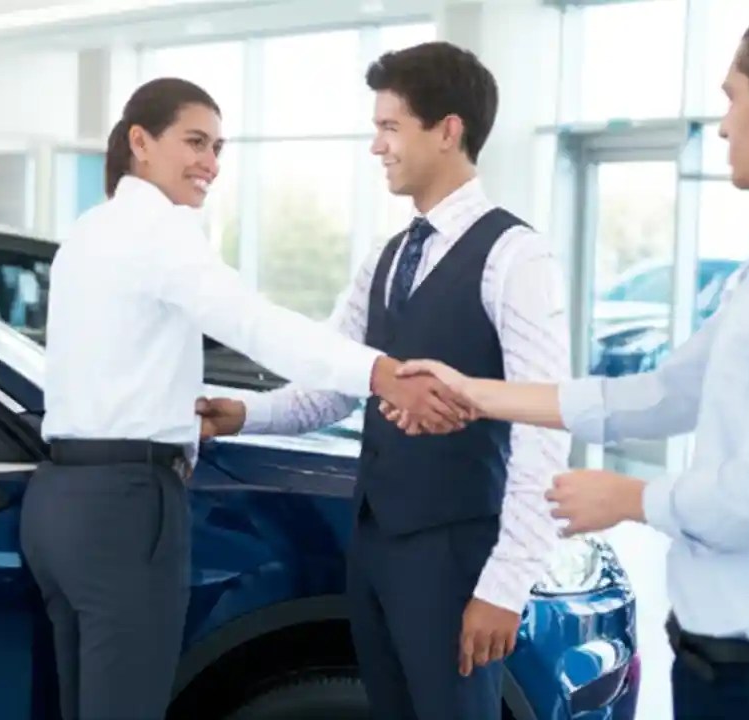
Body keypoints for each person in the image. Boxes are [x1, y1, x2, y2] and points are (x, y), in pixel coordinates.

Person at [391, 2, 749, 718]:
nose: (724, 125)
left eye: (732, 97)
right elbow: (661, 393)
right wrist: (477, 393)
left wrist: (628, 499)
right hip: (734, 666)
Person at [19, 77, 471, 720]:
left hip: (59, 501)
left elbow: (117, 362)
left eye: (219, 147)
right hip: (125, 505)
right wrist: (380, 373)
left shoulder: (89, 233)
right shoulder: (159, 230)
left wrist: (227, 409)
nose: (211, 163)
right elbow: (254, 323)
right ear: (140, 142)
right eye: (195, 142)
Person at [196, 42, 571, 720]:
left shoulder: (517, 256)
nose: (376, 147)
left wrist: (507, 585)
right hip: (374, 548)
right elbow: (334, 384)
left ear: (448, 131)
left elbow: (545, 425)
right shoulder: (388, 256)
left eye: (390, 127)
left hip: (456, 553)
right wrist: (241, 414)